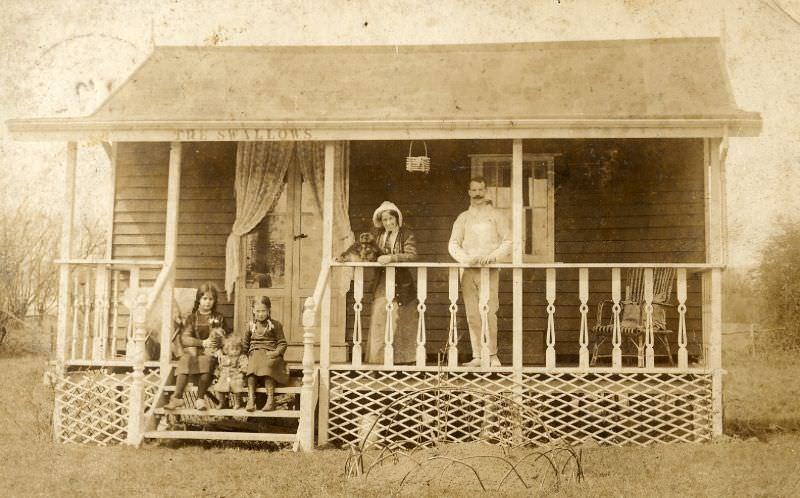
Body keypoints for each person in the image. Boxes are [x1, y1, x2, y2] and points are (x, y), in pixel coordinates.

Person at [448, 177, 511, 367]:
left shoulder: (496, 216)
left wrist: (492, 257)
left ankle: (491, 355)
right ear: (469, 192)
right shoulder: (463, 218)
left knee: (489, 311)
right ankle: (477, 355)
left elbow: (508, 241)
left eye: (481, 190)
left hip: (489, 269)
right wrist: (466, 259)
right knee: (472, 313)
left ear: (486, 191)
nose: (477, 194)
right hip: (468, 270)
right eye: (474, 190)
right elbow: (453, 244)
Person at [367, 201, 418, 364]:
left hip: (402, 283)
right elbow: (369, 253)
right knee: (380, 318)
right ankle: (378, 361)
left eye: (391, 219)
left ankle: (404, 361)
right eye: (384, 220)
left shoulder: (406, 234)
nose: (388, 223)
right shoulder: (379, 236)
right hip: (382, 282)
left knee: (402, 319)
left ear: (397, 218)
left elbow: (412, 255)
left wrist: (392, 258)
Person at [164, 283, 226, 410]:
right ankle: (177, 398)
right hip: (194, 352)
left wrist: (219, 348)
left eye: (211, 299)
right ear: (199, 299)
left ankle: (200, 399)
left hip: (211, 353)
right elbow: (185, 338)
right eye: (204, 298)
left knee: (207, 360)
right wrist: (202, 343)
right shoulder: (192, 318)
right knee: (184, 360)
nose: (207, 302)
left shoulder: (218, 318)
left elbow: (224, 336)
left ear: (214, 301)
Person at [242, 296, 289, 411]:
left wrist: (276, 352)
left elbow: (282, 343)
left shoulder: (275, 325)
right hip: (255, 354)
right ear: (253, 310)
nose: (261, 314)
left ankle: (270, 400)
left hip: (270, 354)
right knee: (251, 371)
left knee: (268, 367)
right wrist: (243, 356)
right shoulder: (250, 326)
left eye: (263, 311)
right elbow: (245, 344)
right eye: (258, 311)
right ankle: (251, 399)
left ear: (268, 310)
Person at [212, 335, 247, 410]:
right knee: (218, 387)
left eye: (237, 349)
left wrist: (242, 372)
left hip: (236, 375)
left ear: (240, 349)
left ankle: (238, 402)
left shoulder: (242, 357)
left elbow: (244, 365)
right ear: (227, 350)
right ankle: (222, 402)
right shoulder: (225, 358)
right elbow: (220, 368)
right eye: (232, 349)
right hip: (225, 377)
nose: (235, 351)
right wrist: (216, 376)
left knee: (237, 385)